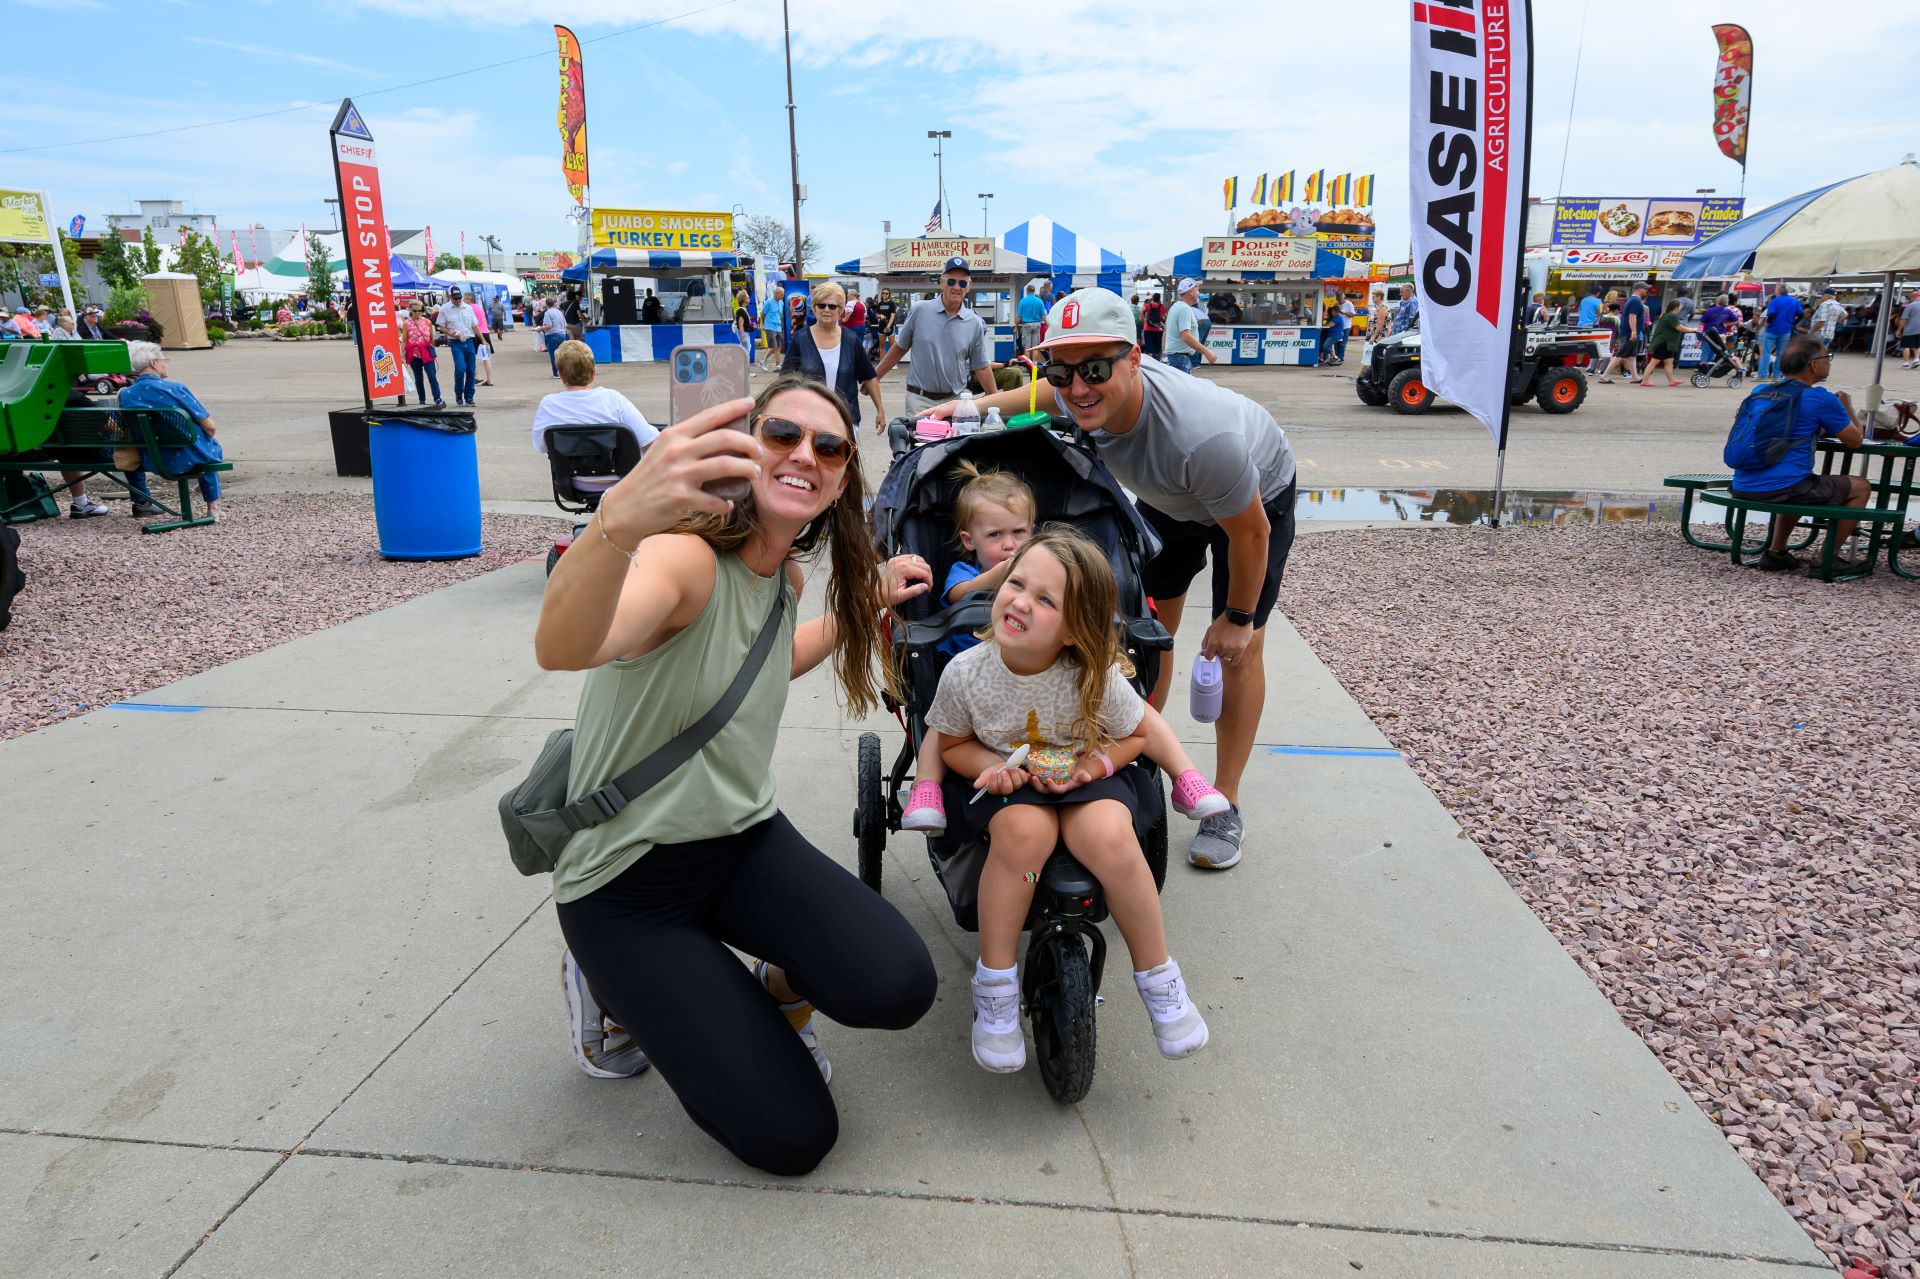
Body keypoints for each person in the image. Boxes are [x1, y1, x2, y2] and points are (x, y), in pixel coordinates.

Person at [533, 373, 939, 1176]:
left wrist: (871, 598)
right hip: (627, 884)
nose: (804, 455)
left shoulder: (782, 577)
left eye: (828, 446)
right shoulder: (681, 559)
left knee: (899, 983)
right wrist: (615, 522)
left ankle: (766, 983)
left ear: (840, 477)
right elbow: (569, 645)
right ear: (744, 448)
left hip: (742, 842)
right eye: (782, 434)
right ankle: (610, 984)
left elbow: (765, 663)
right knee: (794, 1138)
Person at [923, 289, 1297, 871]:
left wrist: (1239, 618)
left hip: (1249, 499)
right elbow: (1048, 392)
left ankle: (1225, 801)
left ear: (1134, 359)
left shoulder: (1203, 436)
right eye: (1062, 367)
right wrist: (969, 408)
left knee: (1237, 653)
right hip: (1169, 497)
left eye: (1095, 369)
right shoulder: (1077, 390)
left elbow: (1250, 534)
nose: (1077, 388)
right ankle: (1141, 741)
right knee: (1153, 629)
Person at [922, 524, 1210, 1073]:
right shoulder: (968, 672)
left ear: (1075, 630)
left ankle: (1159, 977)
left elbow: (1136, 733)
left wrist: (1094, 766)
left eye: (1045, 599)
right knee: (1022, 837)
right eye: (1017, 584)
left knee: (1110, 835)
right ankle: (997, 985)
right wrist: (991, 769)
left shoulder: (1094, 676)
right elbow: (952, 742)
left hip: (1085, 768)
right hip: (1005, 776)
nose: (1020, 602)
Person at [898, 461, 1227, 836]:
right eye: (995, 535)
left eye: (1019, 532)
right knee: (938, 721)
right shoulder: (966, 572)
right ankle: (926, 787)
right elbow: (955, 596)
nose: (1009, 544)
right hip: (977, 669)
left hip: (1053, 664)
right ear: (970, 539)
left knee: (1139, 711)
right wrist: (1001, 575)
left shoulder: (1044, 568)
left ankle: (1186, 776)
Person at [1728, 337, 1870, 573]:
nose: (1829, 363)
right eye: (1827, 358)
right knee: (1861, 487)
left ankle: (1777, 552)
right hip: (1782, 488)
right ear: (1814, 365)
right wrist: (1847, 407)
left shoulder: (1762, 390)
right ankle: (1827, 557)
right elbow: (1855, 440)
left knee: (1801, 480)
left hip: (1743, 483)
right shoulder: (1820, 398)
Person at [870, 256, 995, 452]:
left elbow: (981, 365)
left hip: (955, 400)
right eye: (951, 281)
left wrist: (995, 401)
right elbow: (900, 348)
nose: (956, 287)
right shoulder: (920, 310)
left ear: (969, 286)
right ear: (941, 283)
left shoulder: (974, 322)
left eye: (962, 283)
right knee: (921, 454)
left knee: (953, 455)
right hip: (920, 400)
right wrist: (874, 378)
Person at [117, 342, 224, 521]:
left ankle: (205, 486)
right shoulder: (174, 389)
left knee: (203, 442)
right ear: (153, 363)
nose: (166, 364)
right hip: (184, 457)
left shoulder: (126, 394)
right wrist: (210, 433)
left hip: (149, 458)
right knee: (210, 443)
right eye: (164, 360)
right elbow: (210, 425)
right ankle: (213, 506)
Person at [531, 340, 658, 491]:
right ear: (593, 372)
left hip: (574, 483)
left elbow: (540, 446)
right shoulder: (613, 399)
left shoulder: (549, 404)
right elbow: (650, 442)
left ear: (561, 375)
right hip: (624, 483)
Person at [782, 281, 884, 431]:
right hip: (809, 421)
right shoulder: (800, 339)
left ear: (841, 310)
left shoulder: (851, 340)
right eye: (821, 305)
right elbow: (785, 379)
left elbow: (869, 376)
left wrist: (880, 410)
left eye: (832, 306)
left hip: (845, 419)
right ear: (814, 308)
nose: (826, 310)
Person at [436, 285, 480, 406]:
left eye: (459, 298)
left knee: (471, 370)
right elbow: (441, 326)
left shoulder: (467, 308)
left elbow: (475, 325)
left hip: (469, 340)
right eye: (455, 298)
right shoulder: (445, 309)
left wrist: (483, 340)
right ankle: (459, 394)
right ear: (450, 297)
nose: (458, 301)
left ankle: (469, 397)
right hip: (455, 342)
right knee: (460, 369)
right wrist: (450, 333)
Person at [1598, 284, 1649, 383]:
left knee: (1632, 355)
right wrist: (1634, 331)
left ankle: (1635, 377)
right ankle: (1604, 376)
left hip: (1630, 332)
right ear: (1639, 289)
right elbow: (1632, 316)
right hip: (1630, 332)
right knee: (1620, 354)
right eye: (1645, 288)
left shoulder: (1633, 300)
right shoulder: (1635, 301)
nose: (1646, 290)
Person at [1163, 278, 1214, 373]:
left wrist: (1164, 354)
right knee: (1182, 387)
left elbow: (1165, 332)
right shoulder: (1184, 309)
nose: (1198, 292)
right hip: (1180, 359)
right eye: (1196, 288)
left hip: (1174, 357)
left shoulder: (1175, 307)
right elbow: (1186, 337)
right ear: (1190, 292)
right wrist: (1207, 352)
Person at [1637, 299, 1692, 387]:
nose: (1681, 308)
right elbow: (1679, 328)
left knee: (1669, 362)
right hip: (1664, 342)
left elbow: (1678, 326)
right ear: (1676, 307)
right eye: (1680, 306)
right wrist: (1693, 329)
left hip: (1668, 343)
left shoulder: (1668, 315)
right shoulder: (1671, 316)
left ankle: (1672, 381)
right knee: (1654, 362)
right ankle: (1644, 381)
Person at [402, 301, 444, 407]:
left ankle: (437, 398)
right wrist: (402, 355)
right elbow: (404, 340)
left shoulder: (427, 321)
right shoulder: (407, 323)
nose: (417, 313)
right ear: (410, 310)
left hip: (426, 353)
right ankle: (422, 398)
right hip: (414, 354)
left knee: (431, 375)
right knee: (418, 377)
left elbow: (431, 337)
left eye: (420, 311)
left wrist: (432, 348)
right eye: (415, 311)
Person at [1758, 288, 1804, 379]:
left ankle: (1763, 375)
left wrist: (1767, 325)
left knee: (1766, 352)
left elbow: (1771, 315)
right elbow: (1801, 314)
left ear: (1779, 291)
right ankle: (1777, 375)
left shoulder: (1774, 301)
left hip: (1772, 329)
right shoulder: (1795, 301)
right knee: (1781, 353)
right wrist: (1793, 323)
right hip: (1786, 330)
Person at [470, 293, 495, 388]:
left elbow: (472, 323)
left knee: (470, 355)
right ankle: (490, 380)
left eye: (464, 299)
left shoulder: (469, 308)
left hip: (477, 333)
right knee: (486, 358)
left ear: (469, 299)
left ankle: (477, 375)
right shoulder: (479, 307)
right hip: (485, 332)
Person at [541, 295, 569, 377]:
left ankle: (556, 373)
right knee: (561, 355)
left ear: (546, 304)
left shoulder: (547, 313)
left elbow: (549, 326)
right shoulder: (559, 312)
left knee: (554, 356)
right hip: (562, 334)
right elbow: (565, 325)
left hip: (552, 335)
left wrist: (540, 328)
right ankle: (564, 373)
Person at [1016, 283, 1047, 355]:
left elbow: (1019, 316)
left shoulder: (1023, 301)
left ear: (1027, 291)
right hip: (1037, 325)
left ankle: (1028, 365)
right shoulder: (1039, 301)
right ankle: (1034, 365)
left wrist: (1016, 326)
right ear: (1034, 291)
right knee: (1035, 347)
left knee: (1027, 347)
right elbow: (1044, 315)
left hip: (1026, 325)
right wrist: (1048, 324)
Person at [868, 288, 898, 360]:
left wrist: (888, 326)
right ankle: (882, 362)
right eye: (883, 293)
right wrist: (880, 315)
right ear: (881, 294)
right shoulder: (880, 304)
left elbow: (892, 316)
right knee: (882, 346)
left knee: (892, 346)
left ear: (889, 295)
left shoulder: (892, 303)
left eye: (887, 293)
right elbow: (876, 314)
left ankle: (893, 363)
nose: (885, 294)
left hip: (889, 327)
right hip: (881, 326)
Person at [1139, 291, 1166, 359]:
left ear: (1153, 298)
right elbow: (1166, 316)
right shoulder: (1161, 306)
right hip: (1158, 329)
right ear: (1159, 299)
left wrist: (1143, 320)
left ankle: (1150, 362)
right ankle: (1158, 361)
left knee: (1149, 347)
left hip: (1147, 329)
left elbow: (1140, 310)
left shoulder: (1148, 305)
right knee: (1158, 347)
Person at [1901, 291, 1920, 369]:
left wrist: (1899, 330)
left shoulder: (1910, 306)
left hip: (1910, 329)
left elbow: (1904, 319)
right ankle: (1916, 360)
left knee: (1906, 346)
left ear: (1913, 297)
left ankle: (1906, 363)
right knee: (1918, 346)